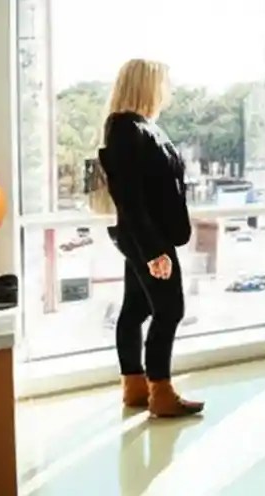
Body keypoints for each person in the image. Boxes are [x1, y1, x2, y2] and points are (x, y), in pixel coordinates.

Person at [93, 59, 203, 419]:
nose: (167, 90)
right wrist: (154, 250)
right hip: (148, 237)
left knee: (136, 309)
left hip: (144, 236)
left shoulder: (136, 127)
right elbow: (131, 198)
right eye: (163, 82)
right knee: (170, 310)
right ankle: (161, 390)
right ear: (147, 85)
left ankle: (135, 386)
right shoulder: (127, 129)